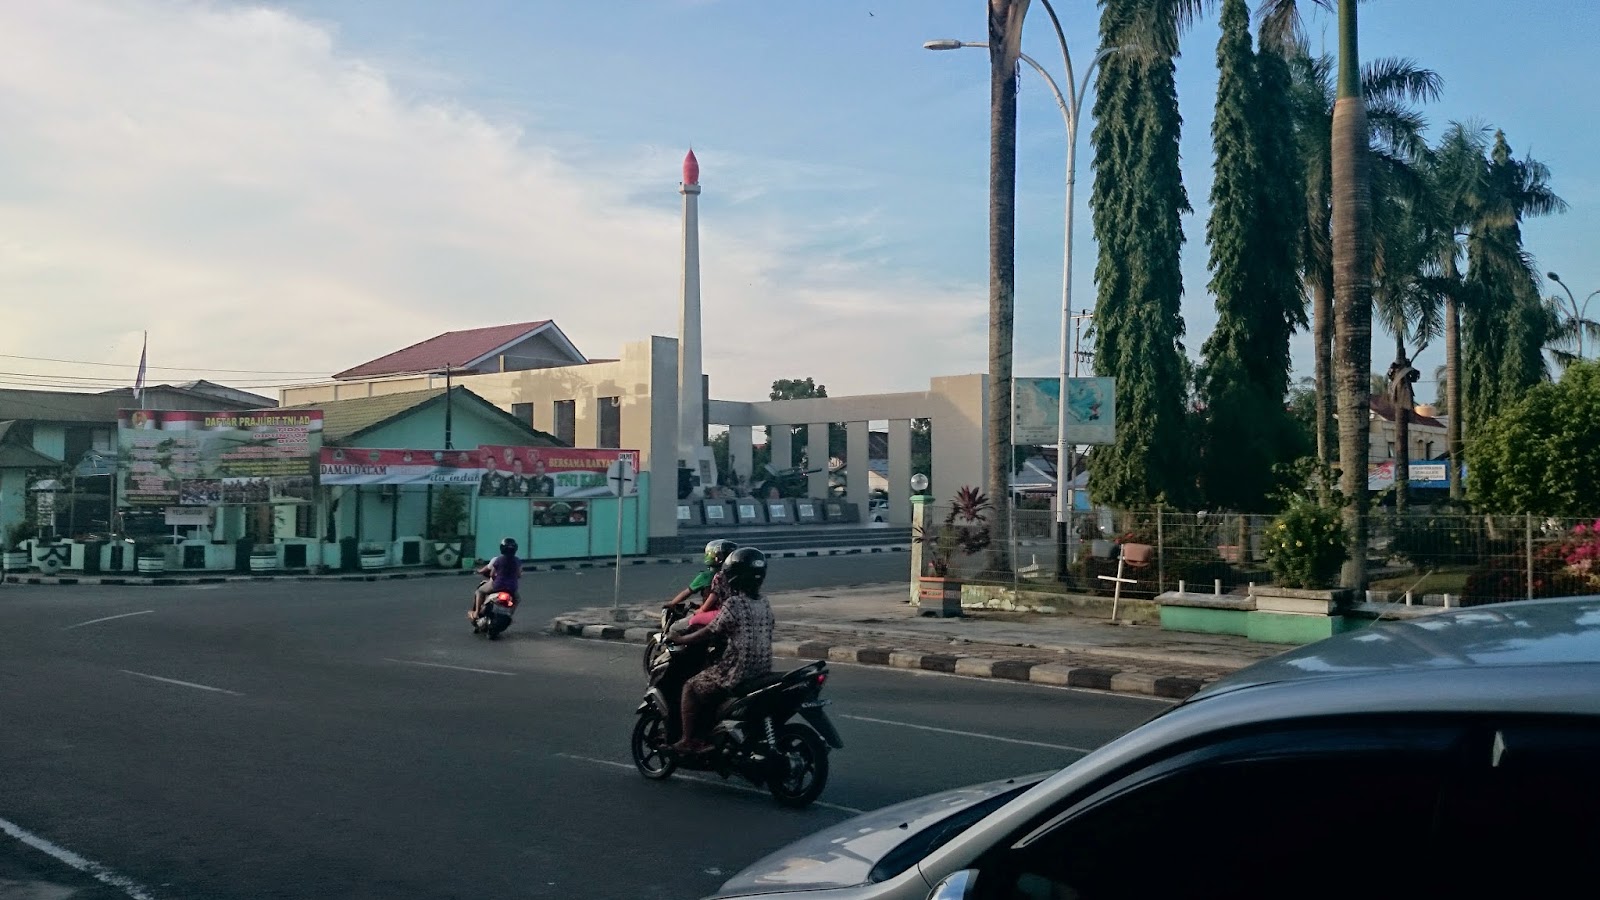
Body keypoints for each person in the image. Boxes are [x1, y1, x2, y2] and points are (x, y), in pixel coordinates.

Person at [668, 547, 774, 755]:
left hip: (736, 670)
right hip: (763, 670)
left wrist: (681, 638)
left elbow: (709, 631)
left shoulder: (734, 603)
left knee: (690, 687)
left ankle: (688, 740)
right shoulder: (764, 602)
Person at [664, 539, 737, 636]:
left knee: (675, 627)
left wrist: (672, 603)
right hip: (732, 613)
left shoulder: (708, 576)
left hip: (713, 613)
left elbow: (687, 593)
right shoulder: (736, 575)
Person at [469, 537, 523, 628]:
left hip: (497, 585)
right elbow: (519, 575)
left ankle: (477, 612)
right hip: (512, 588)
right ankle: (510, 615)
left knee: (480, 591)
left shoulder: (498, 559)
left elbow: (492, 574)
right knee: (517, 599)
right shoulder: (517, 560)